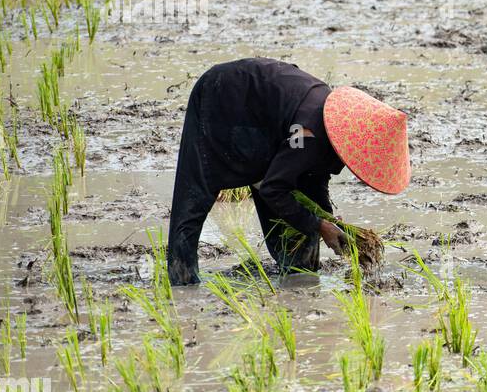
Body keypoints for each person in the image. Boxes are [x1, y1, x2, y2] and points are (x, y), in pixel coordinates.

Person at [164, 57, 409, 285]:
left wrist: (327, 219)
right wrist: (320, 225)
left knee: (303, 219)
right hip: (222, 98)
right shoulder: (309, 133)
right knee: (195, 195)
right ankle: (182, 285)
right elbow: (273, 188)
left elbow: (314, 178)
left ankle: (297, 280)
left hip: (265, 118)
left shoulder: (329, 130)